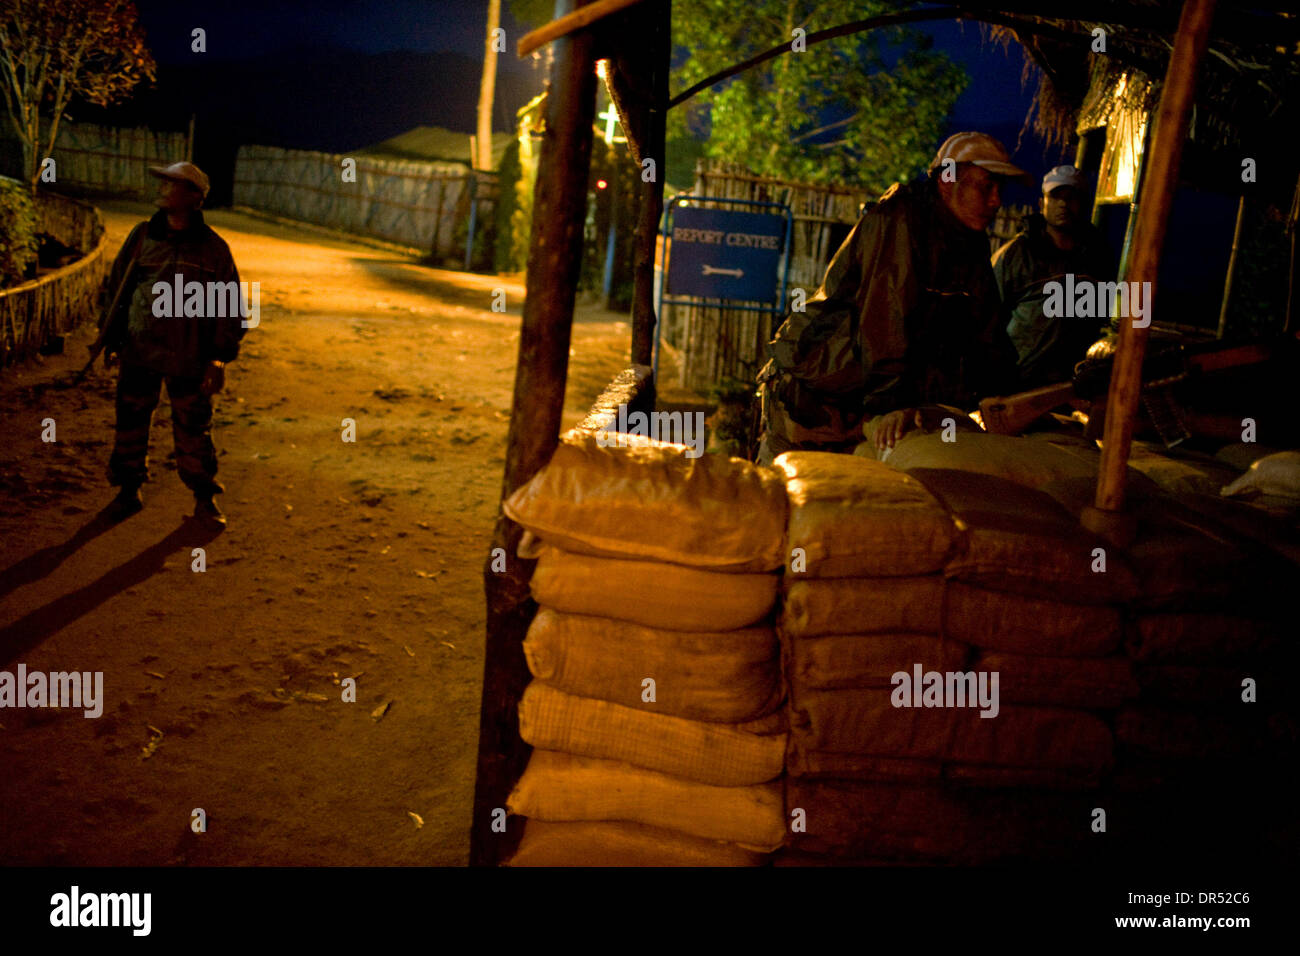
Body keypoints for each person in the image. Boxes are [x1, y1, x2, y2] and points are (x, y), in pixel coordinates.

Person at [756, 132, 1025, 463]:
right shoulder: (899, 220)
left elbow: (987, 330)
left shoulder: (969, 242)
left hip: (859, 402)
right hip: (815, 393)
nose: (996, 200)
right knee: (782, 497)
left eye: (1000, 188)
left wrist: (1017, 395)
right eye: (986, 186)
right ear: (947, 180)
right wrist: (889, 403)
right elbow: (884, 316)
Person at [101, 161, 247, 529]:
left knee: (194, 427)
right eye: (163, 181)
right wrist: (113, 338)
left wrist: (218, 359)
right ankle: (128, 490)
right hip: (140, 348)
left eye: (173, 183)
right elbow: (118, 288)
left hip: (190, 356)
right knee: (131, 420)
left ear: (195, 198)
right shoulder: (141, 237)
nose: (163, 188)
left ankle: (204, 497)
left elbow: (229, 307)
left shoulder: (214, 250)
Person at [991, 164, 1116, 388]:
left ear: (1084, 204)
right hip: (1019, 385)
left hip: (1078, 386)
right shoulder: (1014, 255)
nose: (1063, 204)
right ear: (1042, 204)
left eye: (1072, 197)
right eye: (1056, 197)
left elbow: (1117, 316)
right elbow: (986, 320)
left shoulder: (1100, 258)